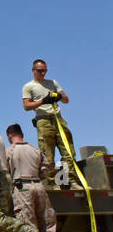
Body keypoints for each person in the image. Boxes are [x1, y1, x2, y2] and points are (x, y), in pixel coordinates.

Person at [21, 59, 74, 188]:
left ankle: (70, 181)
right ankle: (52, 183)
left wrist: (59, 97)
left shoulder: (53, 83)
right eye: (40, 70)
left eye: (45, 70)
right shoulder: (29, 86)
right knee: (47, 155)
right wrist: (43, 101)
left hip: (58, 119)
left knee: (68, 152)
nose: (43, 73)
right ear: (33, 70)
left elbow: (66, 100)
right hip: (43, 120)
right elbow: (26, 106)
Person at [5, 123, 58, 232]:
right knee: (47, 217)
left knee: (26, 218)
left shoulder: (9, 151)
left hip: (21, 185)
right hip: (38, 184)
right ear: (22, 135)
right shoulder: (35, 150)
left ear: (9, 136)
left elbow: (4, 172)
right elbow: (47, 167)